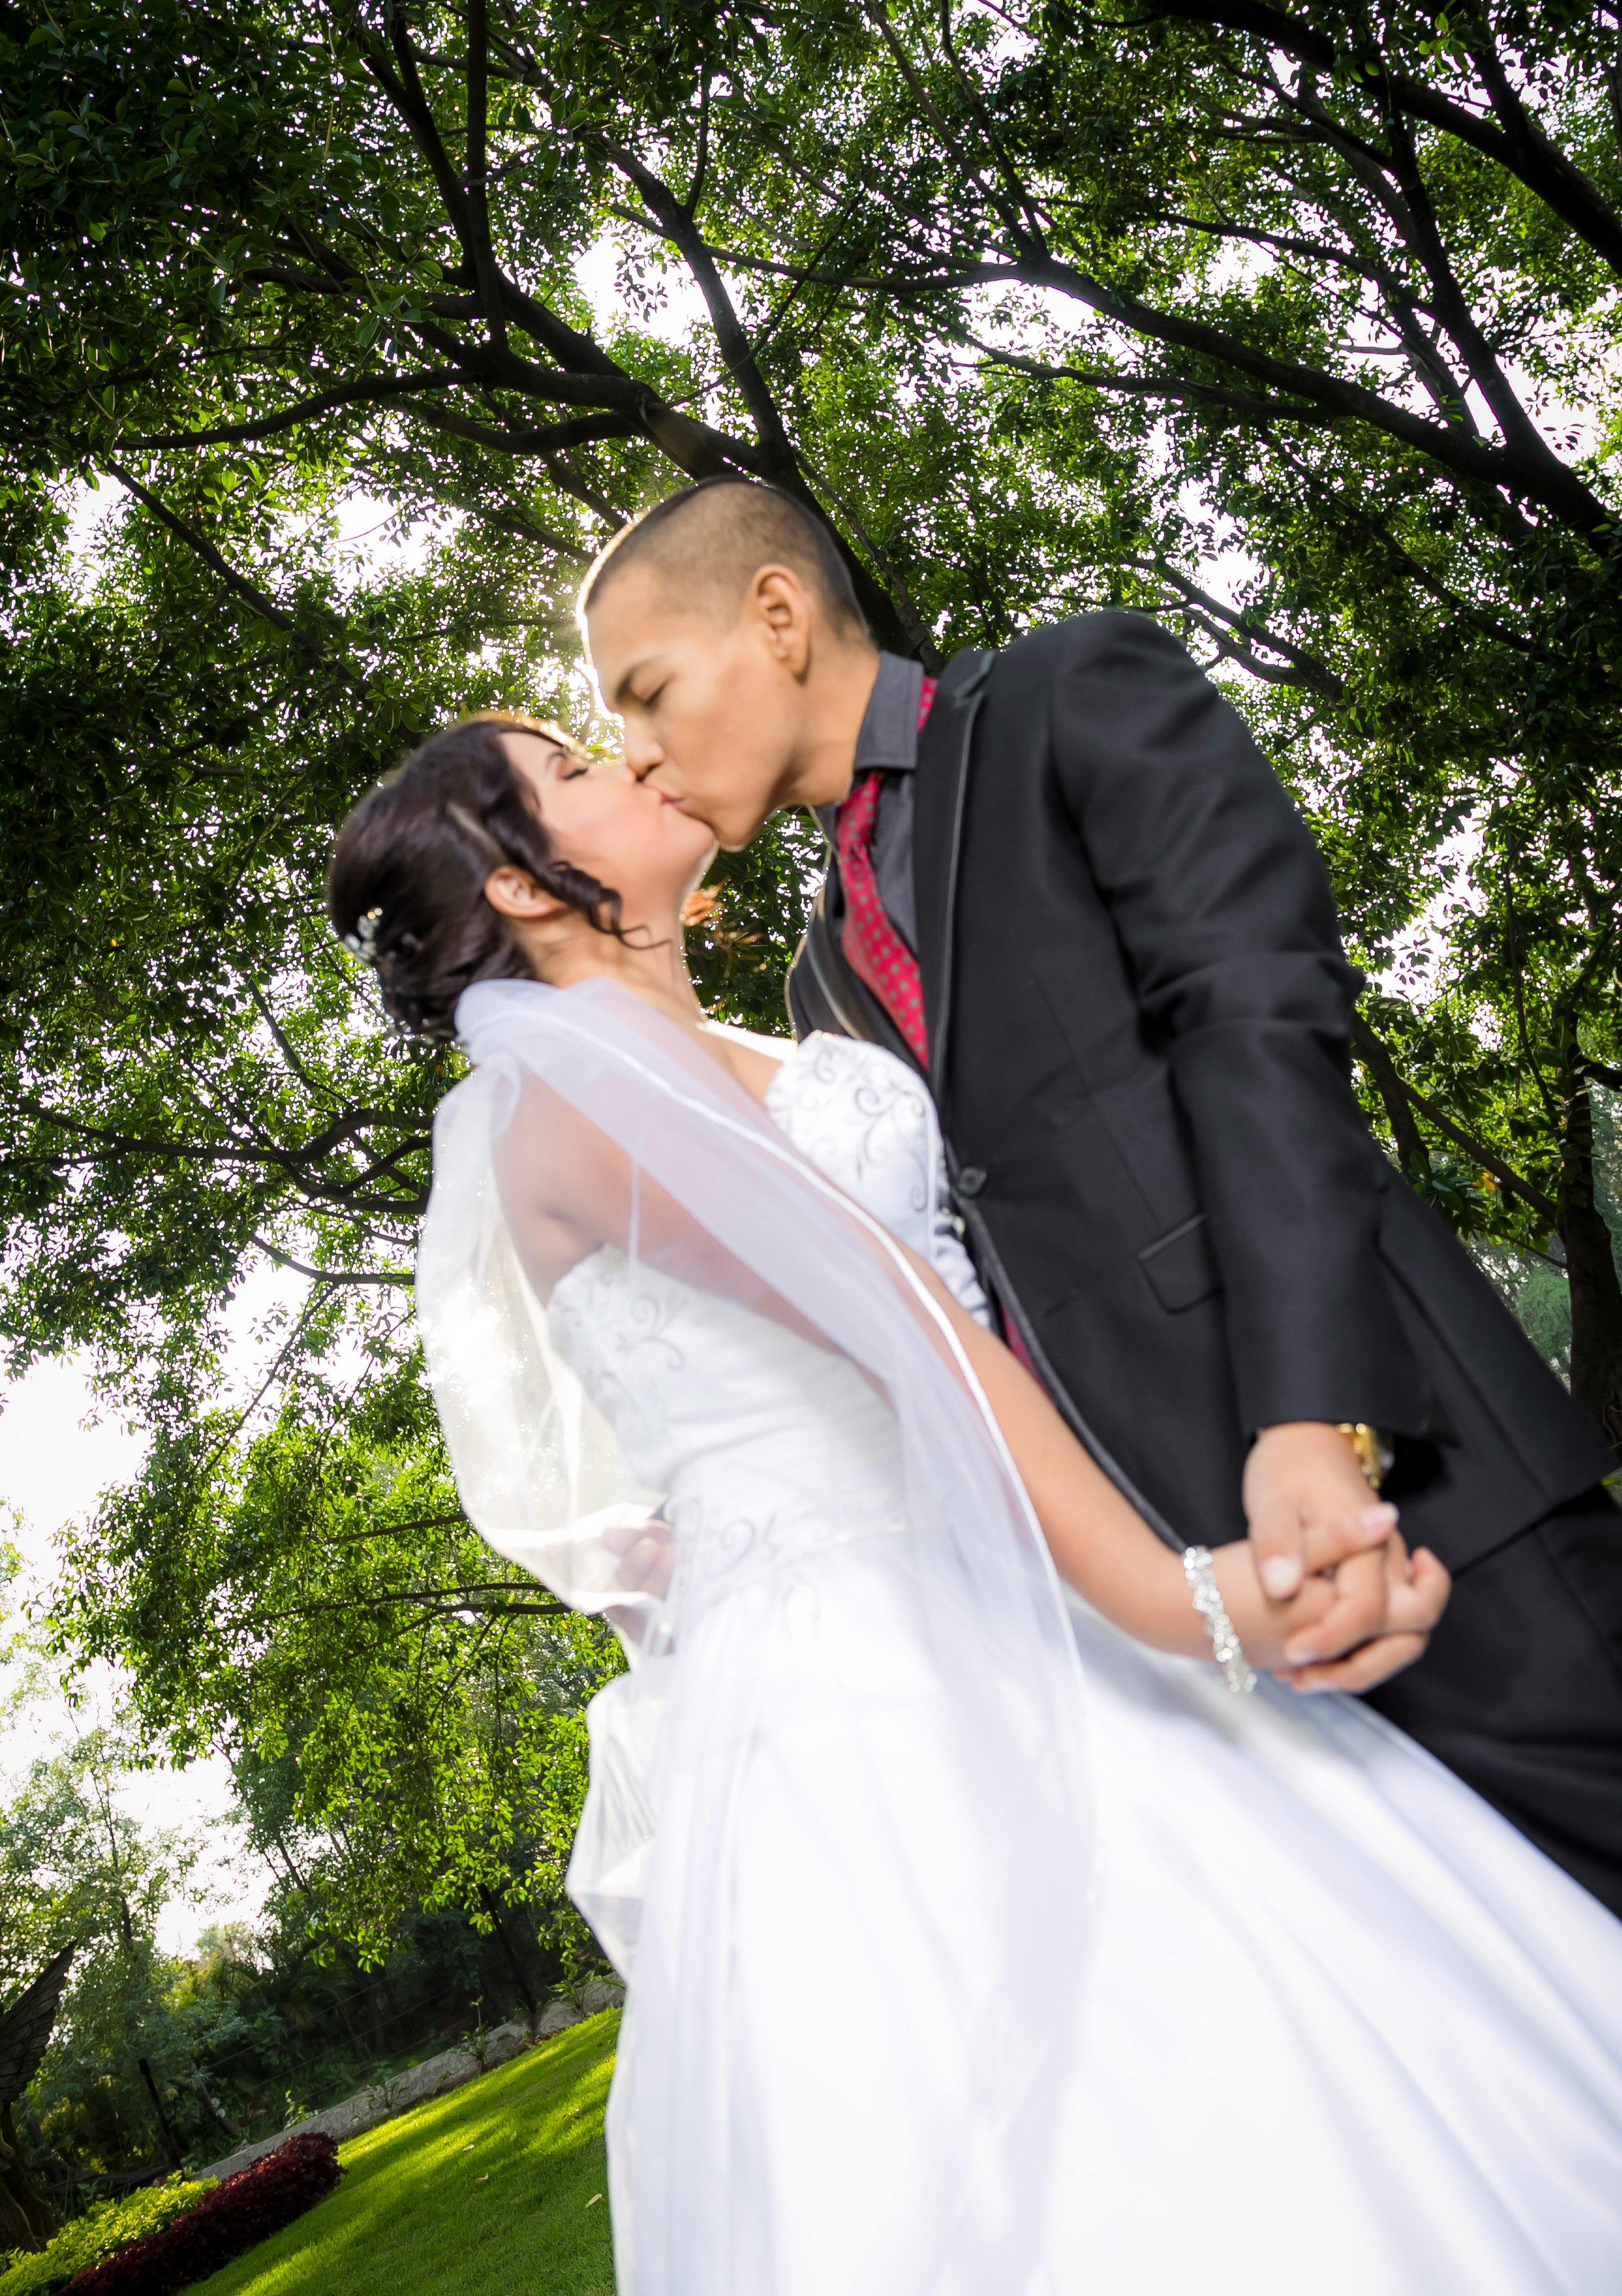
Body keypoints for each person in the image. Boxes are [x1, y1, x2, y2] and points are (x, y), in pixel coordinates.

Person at [329, 715, 1619, 2296]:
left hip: (1009, 1563)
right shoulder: (578, 1104)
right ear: (524, 888)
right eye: (580, 768)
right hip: (875, 1683)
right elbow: (908, 1328)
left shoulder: (774, 1041)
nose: (640, 761)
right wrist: (1189, 1603)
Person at [577, 475, 1622, 1920]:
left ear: (777, 617)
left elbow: (1256, 1022)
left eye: (646, 693)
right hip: (1201, 1618)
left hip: (1418, 1489)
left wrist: (1314, 1422)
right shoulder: (819, 986)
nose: (636, 751)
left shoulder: (1068, 695)